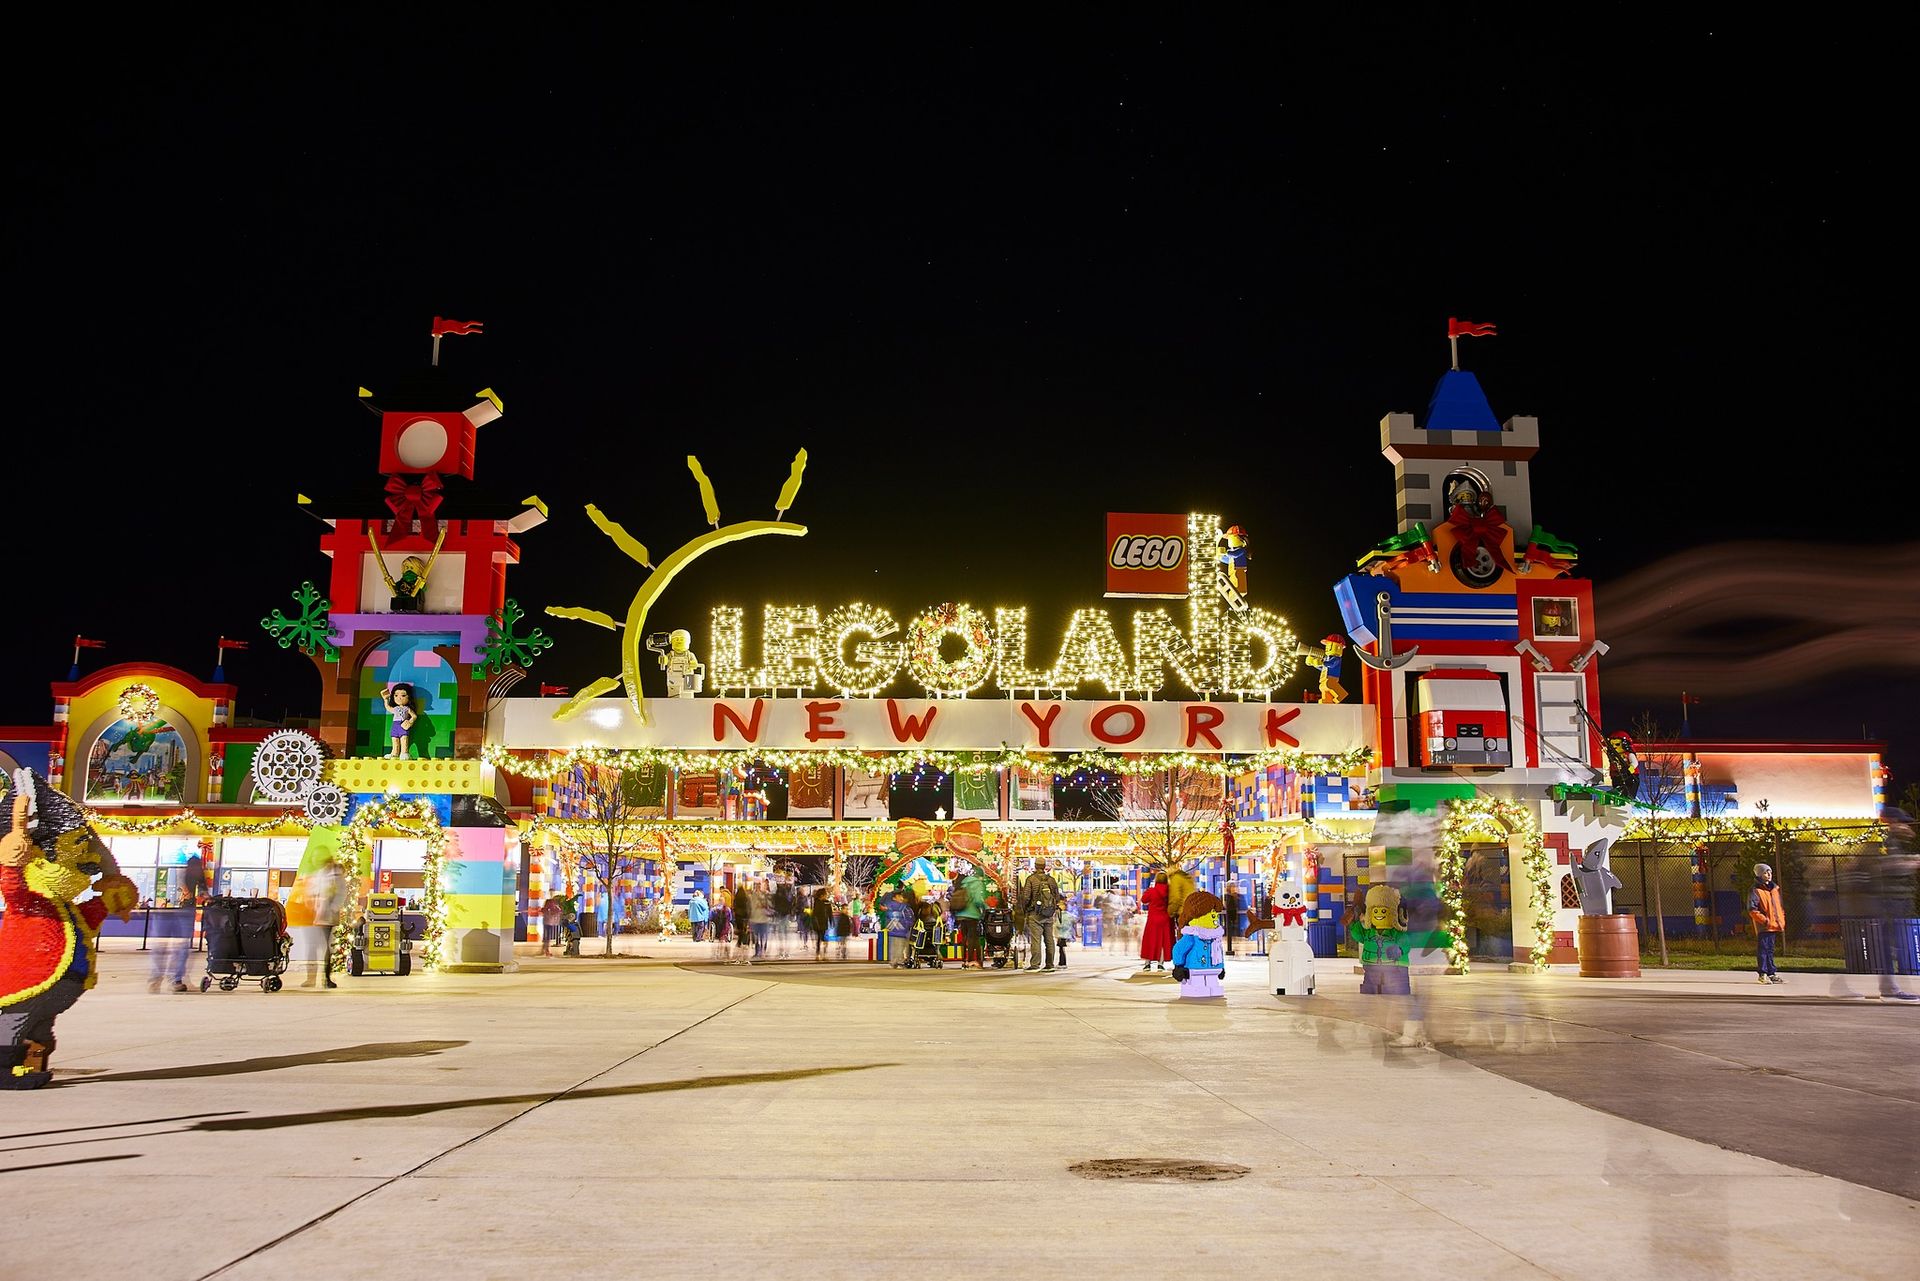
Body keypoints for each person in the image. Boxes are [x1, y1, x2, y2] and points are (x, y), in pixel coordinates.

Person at [302, 861, 346, 989]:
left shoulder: (336, 877)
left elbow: (340, 896)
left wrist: (331, 909)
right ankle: (315, 978)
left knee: (323, 947)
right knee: (318, 947)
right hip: (318, 916)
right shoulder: (321, 875)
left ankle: (324, 978)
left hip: (325, 917)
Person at [1018, 858, 1062, 972]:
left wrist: (1025, 909)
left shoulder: (1031, 879)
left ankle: (1035, 964)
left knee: (1036, 940)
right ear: (1044, 866)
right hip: (1049, 914)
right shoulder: (1051, 880)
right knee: (1049, 939)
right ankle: (1050, 964)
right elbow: (1057, 897)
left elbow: (1026, 897)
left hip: (1035, 914)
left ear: (1035, 866)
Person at [1748, 862, 1786, 985]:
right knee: (1763, 949)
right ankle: (1762, 973)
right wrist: (1765, 921)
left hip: (1773, 925)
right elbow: (1752, 909)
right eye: (1765, 872)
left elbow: (1778, 907)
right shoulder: (1756, 890)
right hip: (1764, 926)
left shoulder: (1774, 889)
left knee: (1770, 950)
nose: (1769, 874)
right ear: (1759, 874)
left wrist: (1780, 920)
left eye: (1770, 872)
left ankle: (1771, 973)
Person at [952, 864, 989, 968]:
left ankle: (964, 960)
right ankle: (972, 960)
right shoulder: (977, 883)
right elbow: (978, 900)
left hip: (961, 913)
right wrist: (985, 907)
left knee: (964, 937)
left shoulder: (964, 882)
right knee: (973, 938)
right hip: (972, 914)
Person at [1139, 873, 1173, 971]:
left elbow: (1144, 900)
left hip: (1153, 919)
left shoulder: (1152, 891)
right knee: (1163, 941)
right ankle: (1160, 964)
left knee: (1150, 940)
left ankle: (1147, 963)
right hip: (1166, 920)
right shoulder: (1170, 892)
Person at [1166, 863, 1196, 934]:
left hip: (1182, 912)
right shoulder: (1187, 877)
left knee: (1183, 938)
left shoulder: (1175, 878)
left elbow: (1175, 898)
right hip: (1192, 910)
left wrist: (1170, 913)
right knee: (1191, 936)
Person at [732, 879, 756, 963]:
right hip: (745, 921)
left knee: (739, 939)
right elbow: (749, 910)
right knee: (746, 940)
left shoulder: (736, 899)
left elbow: (734, 909)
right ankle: (745, 958)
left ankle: (737, 958)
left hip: (739, 921)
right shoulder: (747, 899)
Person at [1053, 888, 1075, 967]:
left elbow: (1059, 925)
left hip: (1061, 934)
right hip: (1063, 934)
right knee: (1061, 949)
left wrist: (1055, 925)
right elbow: (1073, 920)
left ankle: (1062, 963)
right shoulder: (1067, 914)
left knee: (1061, 949)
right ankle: (1062, 962)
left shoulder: (1062, 915)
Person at [810, 886, 832, 960]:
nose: (826, 896)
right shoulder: (817, 903)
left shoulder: (827, 902)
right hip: (818, 924)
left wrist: (831, 921)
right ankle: (818, 954)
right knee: (820, 939)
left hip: (824, 923)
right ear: (822, 895)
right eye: (825, 894)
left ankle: (824, 954)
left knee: (824, 939)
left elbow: (830, 913)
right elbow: (815, 914)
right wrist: (815, 924)